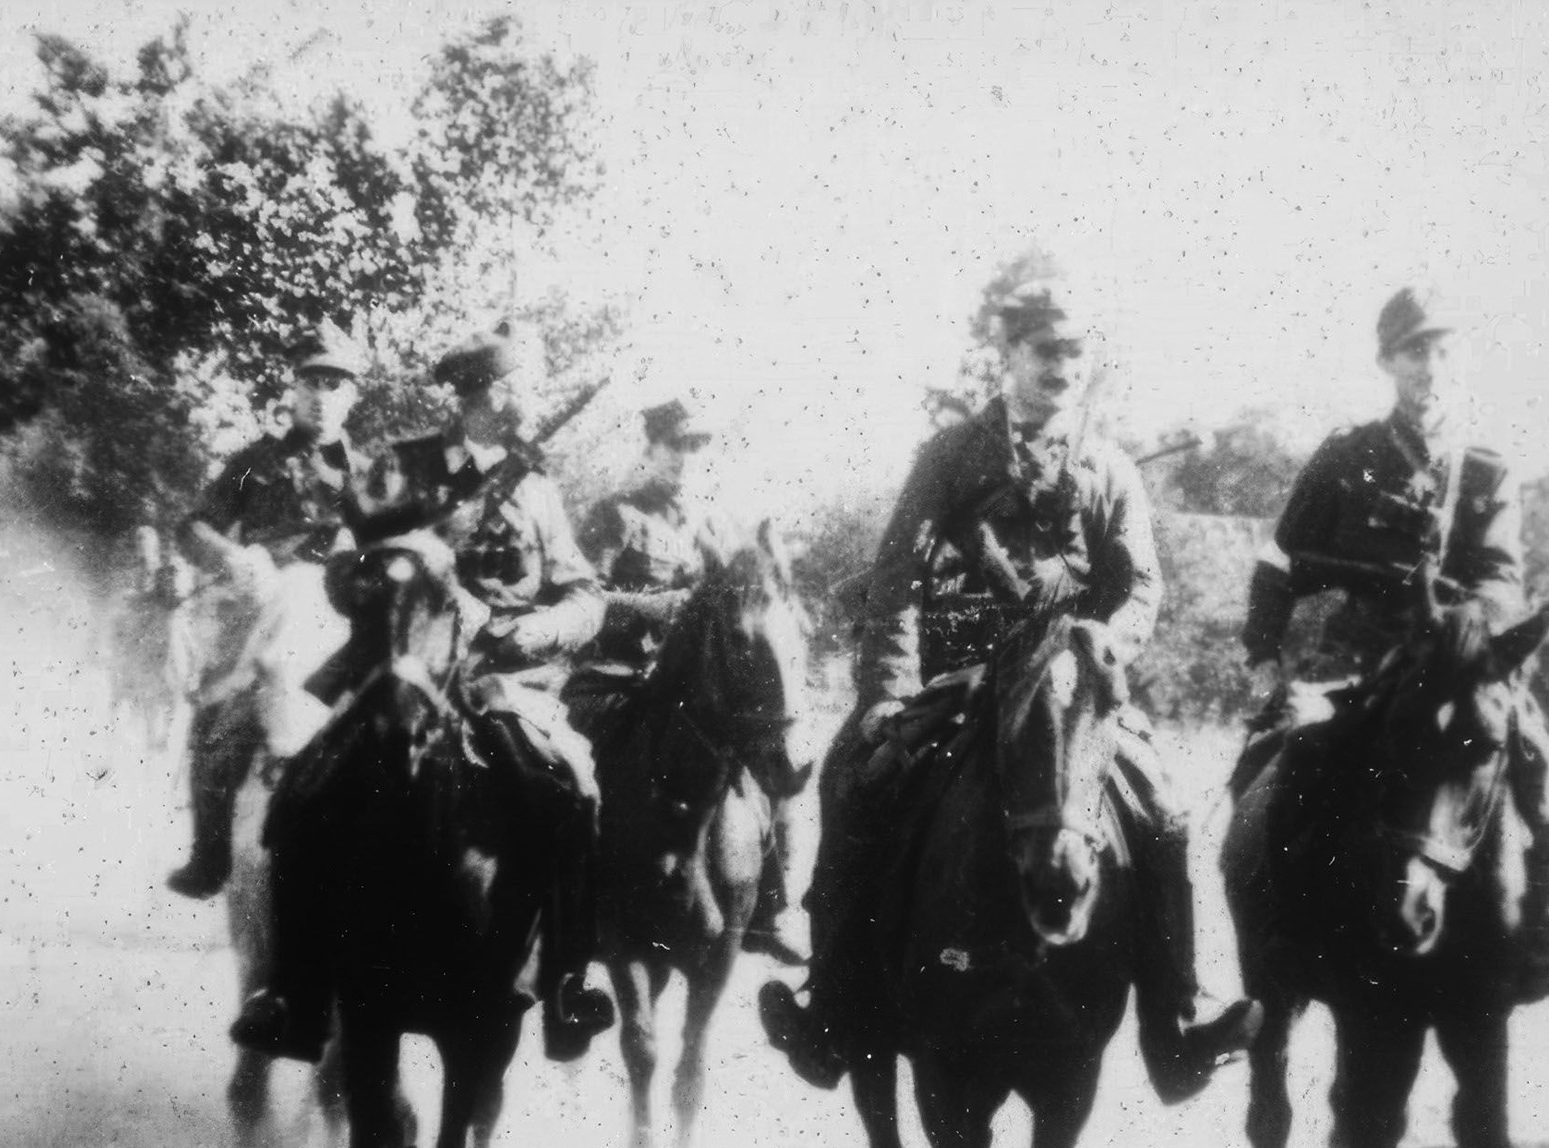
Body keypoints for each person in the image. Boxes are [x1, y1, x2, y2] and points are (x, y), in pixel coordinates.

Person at [762, 279, 1261, 1099]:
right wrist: (886, 690)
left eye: (1075, 351)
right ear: (1011, 353)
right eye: (1044, 350)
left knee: (1164, 808)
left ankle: (1175, 1020)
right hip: (956, 677)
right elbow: (897, 579)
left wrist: (1108, 641)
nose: (1062, 366)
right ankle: (834, 1006)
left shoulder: (1109, 466)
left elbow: (1140, 586)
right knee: (855, 774)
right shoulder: (952, 455)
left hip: (1071, 684)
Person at [229, 321, 619, 1063]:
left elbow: (585, 597)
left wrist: (527, 629)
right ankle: (291, 993)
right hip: (398, 670)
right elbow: (342, 571)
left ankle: (569, 980)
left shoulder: (538, 488)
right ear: (486, 394)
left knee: (576, 786)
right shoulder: (402, 467)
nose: (534, 396)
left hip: (502, 680)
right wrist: (420, 570)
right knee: (303, 791)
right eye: (522, 384)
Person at [1239, 284, 1549, 975]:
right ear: (1387, 361)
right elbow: (1280, 563)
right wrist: (1262, 657)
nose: (1430, 367)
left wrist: (1457, 625)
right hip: (1358, 661)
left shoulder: (1487, 468)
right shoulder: (1346, 454)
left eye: (1442, 351)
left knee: (1534, 756)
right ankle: (1286, 938)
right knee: (1298, 761)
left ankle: (1536, 938)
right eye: (1415, 352)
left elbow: (1502, 579)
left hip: (1456, 663)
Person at [571, 397, 809, 964]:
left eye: (696, 448)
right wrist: (654, 607)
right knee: (582, 776)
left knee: (764, 769)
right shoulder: (616, 515)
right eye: (674, 446)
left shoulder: (716, 527)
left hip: (696, 686)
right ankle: (575, 917)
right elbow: (583, 595)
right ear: (650, 448)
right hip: (618, 677)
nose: (685, 459)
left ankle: (765, 911)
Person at [166, 320, 368, 900]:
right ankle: (210, 853)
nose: (321, 397)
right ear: (294, 388)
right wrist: (232, 556)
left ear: (352, 396)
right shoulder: (256, 461)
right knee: (219, 719)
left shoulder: (370, 474)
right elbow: (192, 527)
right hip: (260, 610)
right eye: (311, 383)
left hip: (341, 613)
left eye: (335, 384)